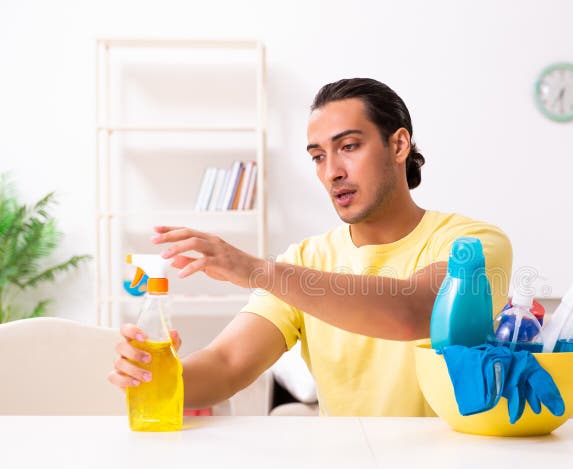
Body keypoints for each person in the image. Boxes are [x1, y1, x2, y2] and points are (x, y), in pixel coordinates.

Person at [109, 78, 512, 416]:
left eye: (349, 146)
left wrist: (256, 270)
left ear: (398, 145)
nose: (332, 171)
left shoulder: (472, 244)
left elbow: (413, 310)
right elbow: (228, 365)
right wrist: (158, 375)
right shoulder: (305, 261)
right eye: (318, 156)